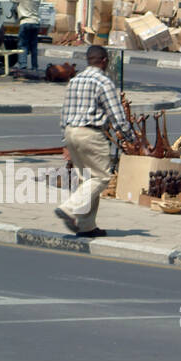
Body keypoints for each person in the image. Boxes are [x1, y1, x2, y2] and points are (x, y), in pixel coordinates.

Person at [55, 46, 136, 237]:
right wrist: (128, 138)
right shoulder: (103, 82)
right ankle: (69, 207)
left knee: (87, 180)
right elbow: (116, 115)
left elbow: (63, 112)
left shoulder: (74, 80)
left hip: (71, 131)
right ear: (104, 61)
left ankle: (86, 226)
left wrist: (65, 141)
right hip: (91, 134)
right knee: (101, 177)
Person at [10, 0, 42, 71]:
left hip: (25, 22)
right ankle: (35, 66)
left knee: (23, 44)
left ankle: (23, 65)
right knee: (33, 46)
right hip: (35, 22)